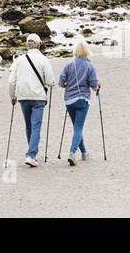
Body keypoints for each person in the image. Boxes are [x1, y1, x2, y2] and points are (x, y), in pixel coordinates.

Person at [8, 33, 57, 167]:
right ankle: (31, 155)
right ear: (39, 44)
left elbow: (11, 81)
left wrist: (12, 96)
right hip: (38, 98)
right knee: (36, 127)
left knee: (29, 126)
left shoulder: (18, 60)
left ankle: (32, 153)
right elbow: (51, 81)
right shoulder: (43, 60)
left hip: (23, 97)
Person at [57, 39, 101, 163]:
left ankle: (84, 153)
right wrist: (98, 85)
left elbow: (60, 83)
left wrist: (68, 86)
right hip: (82, 100)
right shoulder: (90, 66)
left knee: (77, 127)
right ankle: (72, 153)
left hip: (69, 101)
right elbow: (93, 86)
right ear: (87, 52)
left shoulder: (68, 65)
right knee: (78, 128)